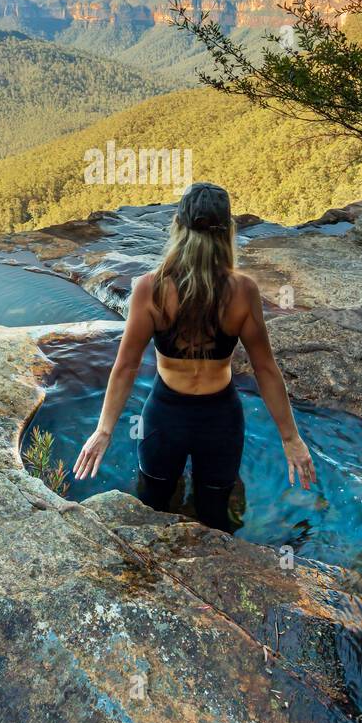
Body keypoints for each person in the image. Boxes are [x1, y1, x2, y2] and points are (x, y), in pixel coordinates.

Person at [73, 181, 316, 530]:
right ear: (228, 232)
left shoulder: (150, 288)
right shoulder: (242, 291)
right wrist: (290, 438)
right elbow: (265, 369)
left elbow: (126, 365)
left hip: (164, 418)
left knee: (153, 510)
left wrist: (105, 429)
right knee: (217, 519)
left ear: (178, 226)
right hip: (221, 421)